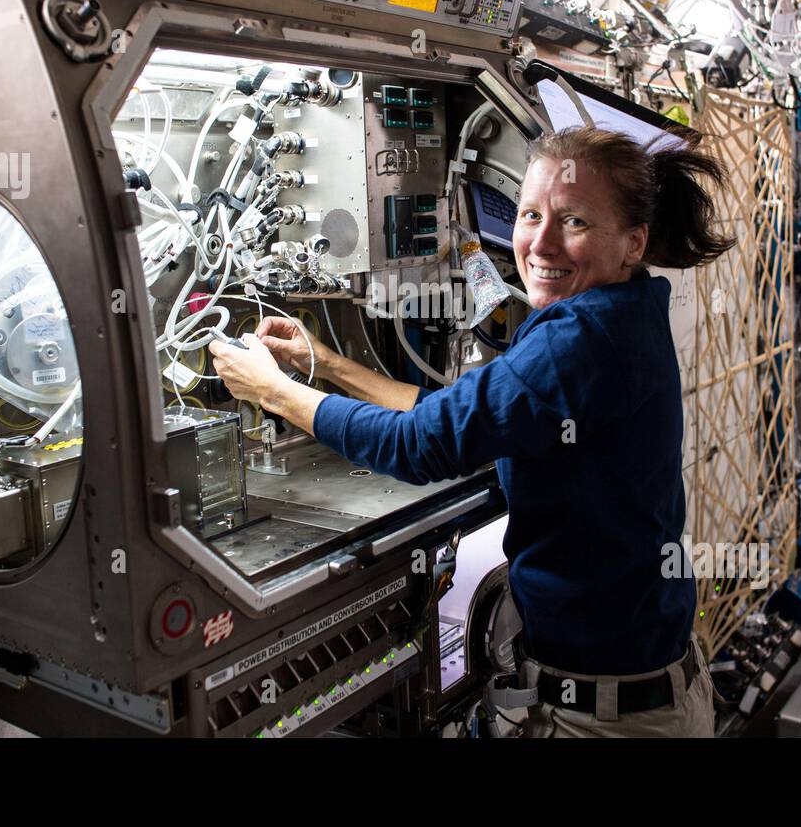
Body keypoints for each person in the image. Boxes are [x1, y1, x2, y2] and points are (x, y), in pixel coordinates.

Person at [210, 124, 736, 737]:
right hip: (649, 692)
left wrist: (272, 392)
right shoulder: (624, 310)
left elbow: (420, 445)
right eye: (530, 214)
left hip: (610, 721)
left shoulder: (582, 340)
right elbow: (451, 415)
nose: (539, 244)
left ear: (632, 241)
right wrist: (324, 366)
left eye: (574, 223)